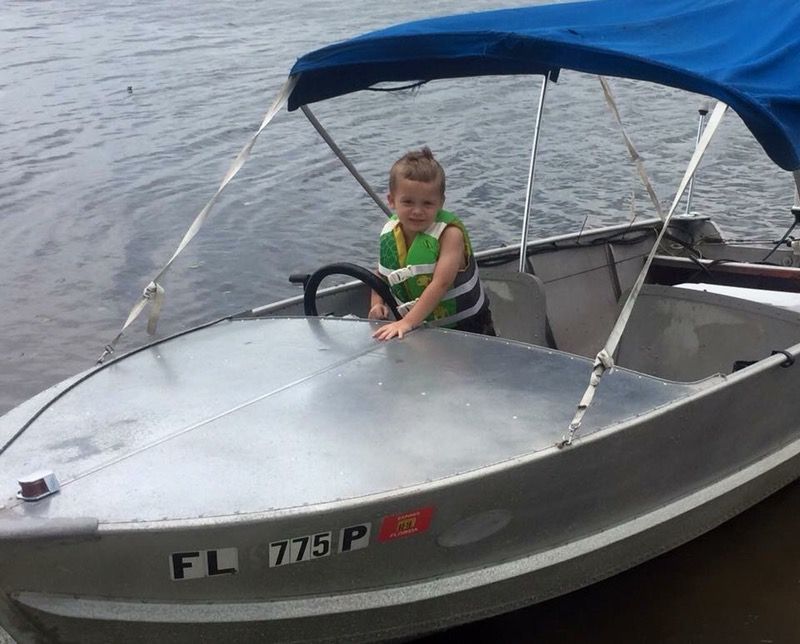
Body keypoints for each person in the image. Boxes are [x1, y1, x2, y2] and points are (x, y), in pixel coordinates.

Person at [369, 147, 495, 340]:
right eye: (408, 202)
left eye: (427, 203)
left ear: (441, 202)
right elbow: (381, 275)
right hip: (420, 330)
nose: (418, 211)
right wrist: (377, 304)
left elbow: (442, 283)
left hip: (467, 329)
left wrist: (407, 322)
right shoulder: (390, 233)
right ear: (392, 201)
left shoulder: (450, 235)